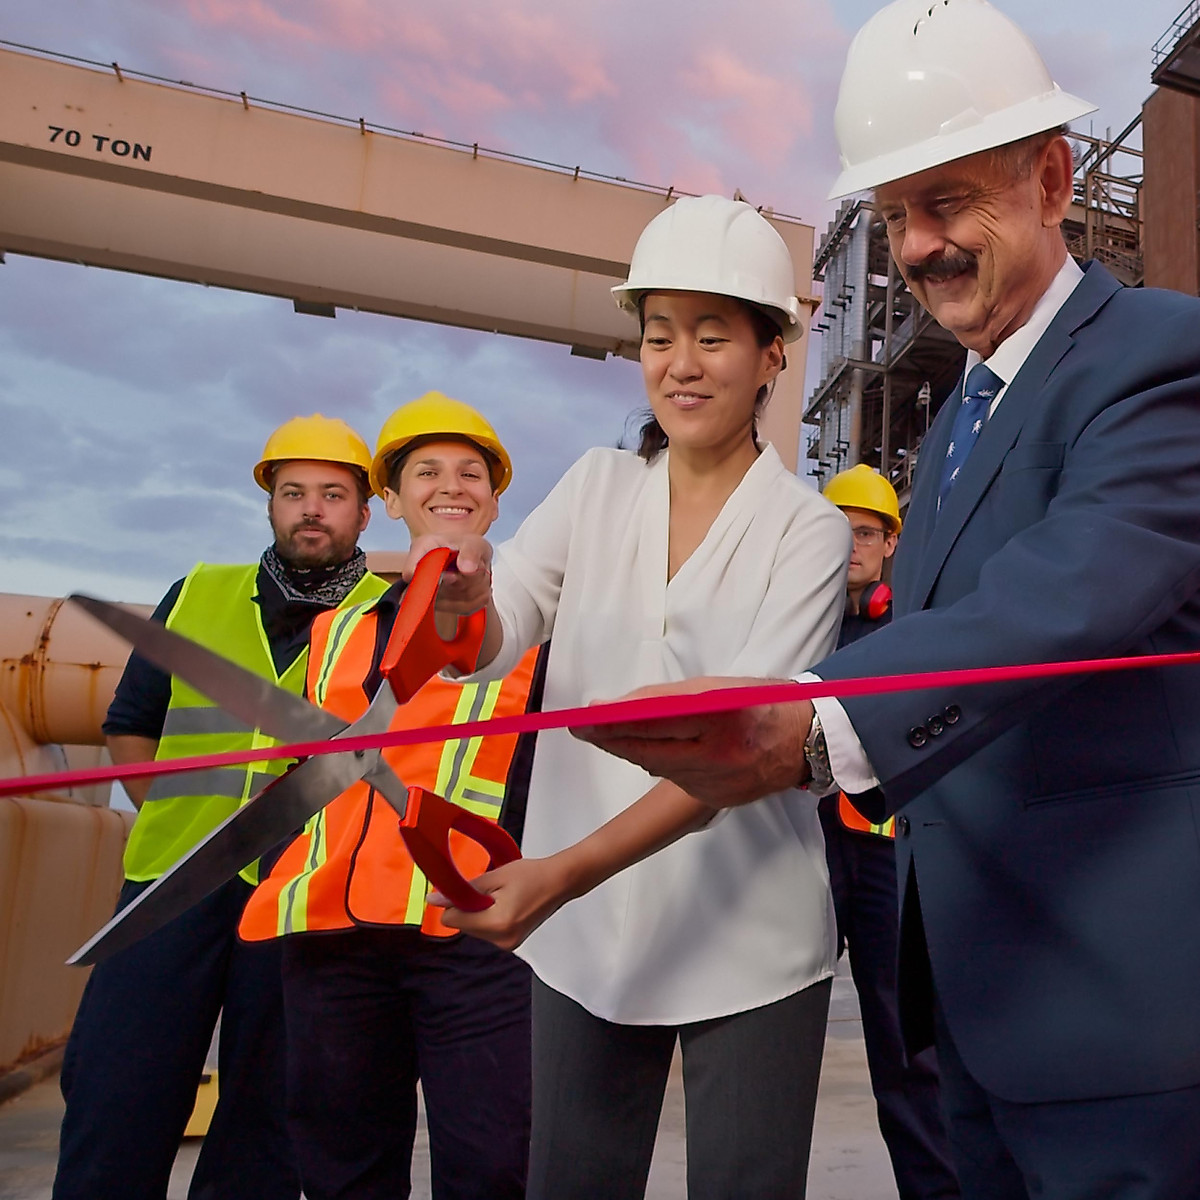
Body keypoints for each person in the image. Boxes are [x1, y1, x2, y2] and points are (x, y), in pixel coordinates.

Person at [577, 2, 1200, 1197]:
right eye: (897, 215)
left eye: (949, 201)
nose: (918, 247)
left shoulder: (1158, 361)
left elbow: (1067, 596)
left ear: (1053, 179)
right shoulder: (960, 423)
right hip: (977, 1001)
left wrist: (810, 721)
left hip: (1126, 1018)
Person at [429, 194, 852, 1200]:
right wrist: (459, 604)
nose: (682, 362)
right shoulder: (595, 487)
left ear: (772, 353)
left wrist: (557, 874)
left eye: (714, 335)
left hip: (750, 935)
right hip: (588, 942)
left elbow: (741, 752)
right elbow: (497, 636)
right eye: (660, 336)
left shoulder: (808, 532)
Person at [54, 415, 386, 1200]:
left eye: (333, 495)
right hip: (172, 887)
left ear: (364, 513)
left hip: (302, 894)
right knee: (116, 1088)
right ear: (270, 504)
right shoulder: (198, 592)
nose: (312, 509)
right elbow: (130, 724)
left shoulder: (388, 616)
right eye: (294, 492)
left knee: (270, 1113)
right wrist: (173, 820)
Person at [238, 393, 543, 1200]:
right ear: (394, 499)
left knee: (489, 1168)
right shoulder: (335, 629)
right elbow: (294, 777)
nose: (451, 487)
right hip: (333, 938)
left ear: (496, 496)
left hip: (470, 931)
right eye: (427, 472)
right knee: (341, 1171)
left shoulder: (537, 623)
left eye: (470, 473)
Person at [818, 464, 959, 1200]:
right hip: (808, 850)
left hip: (882, 853)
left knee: (904, 1047)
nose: (848, 545)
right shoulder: (794, 618)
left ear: (891, 541)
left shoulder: (909, 623)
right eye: (835, 529)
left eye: (863, 532)